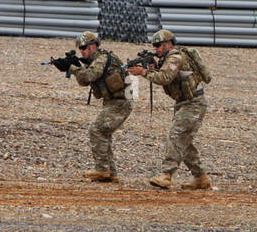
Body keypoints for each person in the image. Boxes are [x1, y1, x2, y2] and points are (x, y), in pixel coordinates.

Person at [128, 28, 211, 190]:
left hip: (193, 103)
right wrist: (153, 67)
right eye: (154, 46)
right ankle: (200, 177)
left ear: (168, 44)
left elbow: (164, 77)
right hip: (184, 103)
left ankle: (166, 174)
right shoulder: (169, 58)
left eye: (158, 45)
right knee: (184, 141)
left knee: (175, 136)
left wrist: (143, 72)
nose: (156, 48)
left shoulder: (175, 58)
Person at [57, 31, 131, 182]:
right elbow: (84, 81)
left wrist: (72, 68)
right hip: (114, 101)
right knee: (103, 133)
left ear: (93, 46)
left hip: (120, 102)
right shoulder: (95, 61)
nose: (82, 51)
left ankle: (102, 170)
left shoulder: (101, 59)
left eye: (84, 47)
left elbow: (88, 77)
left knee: (96, 129)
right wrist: (75, 65)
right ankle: (111, 173)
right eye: (80, 48)